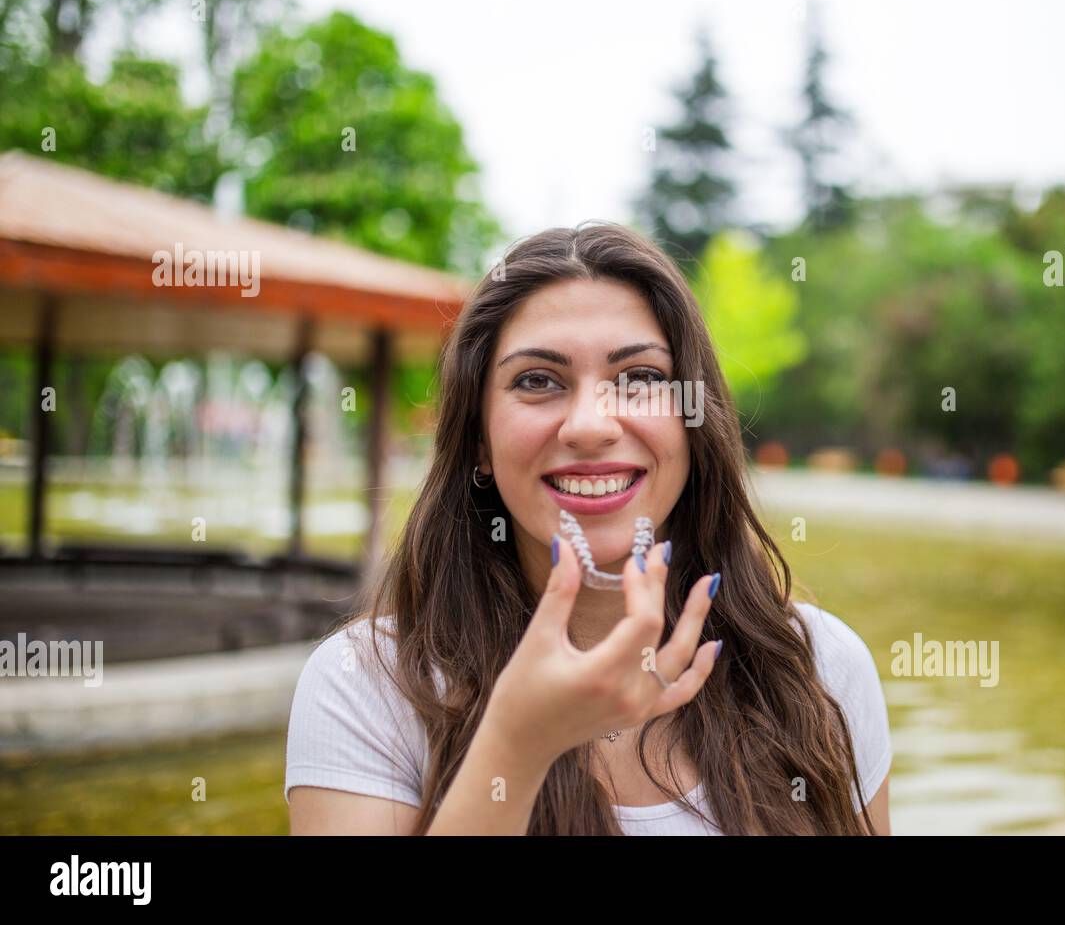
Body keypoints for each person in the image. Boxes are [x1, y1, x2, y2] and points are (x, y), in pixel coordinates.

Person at [285, 221, 893, 835]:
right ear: (479, 439)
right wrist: (515, 745)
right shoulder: (365, 684)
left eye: (641, 379)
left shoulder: (821, 667)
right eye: (537, 381)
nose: (590, 425)